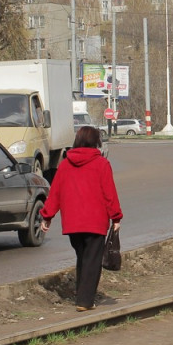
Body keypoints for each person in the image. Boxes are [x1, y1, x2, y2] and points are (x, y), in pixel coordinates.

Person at [39, 126, 123, 311]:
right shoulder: (101, 164)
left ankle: (82, 296)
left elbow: (55, 194)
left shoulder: (65, 165)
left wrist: (47, 217)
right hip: (95, 222)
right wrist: (116, 217)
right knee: (92, 261)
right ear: (96, 142)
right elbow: (109, 194)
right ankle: (84, 301)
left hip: (73, 224)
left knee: (83, 258)